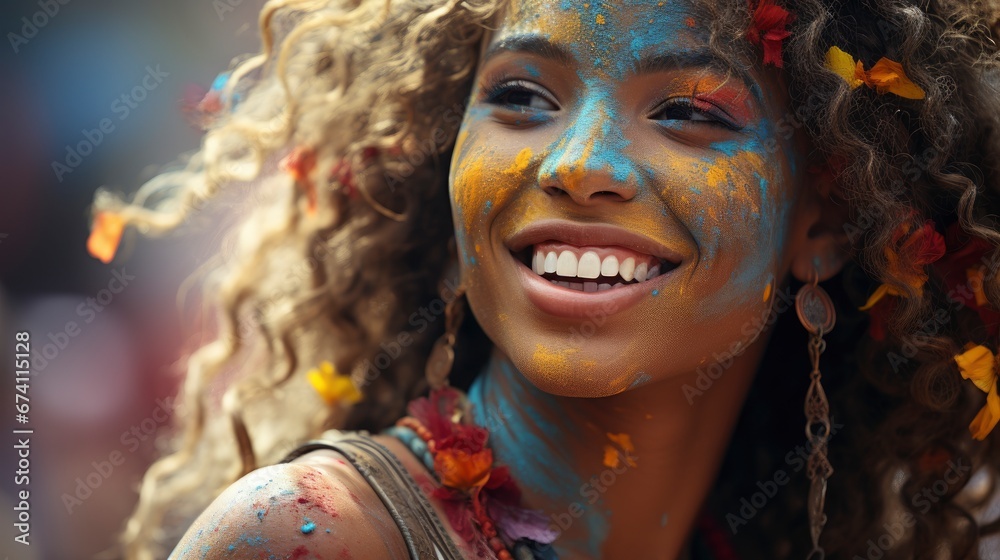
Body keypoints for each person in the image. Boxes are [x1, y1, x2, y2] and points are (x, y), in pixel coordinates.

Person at [86, 0, 1000, 558]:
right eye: (522, 96)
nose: (578, 163)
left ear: (828, 228)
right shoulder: (308, 538)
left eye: (684, 110)